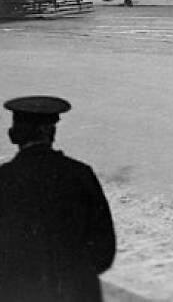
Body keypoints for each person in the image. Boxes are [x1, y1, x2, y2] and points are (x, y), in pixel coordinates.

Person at [0, 96, 116, 301]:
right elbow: (104, 249)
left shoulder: (4, 179)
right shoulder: (80, 174)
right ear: (50, 132)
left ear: (15, 135)